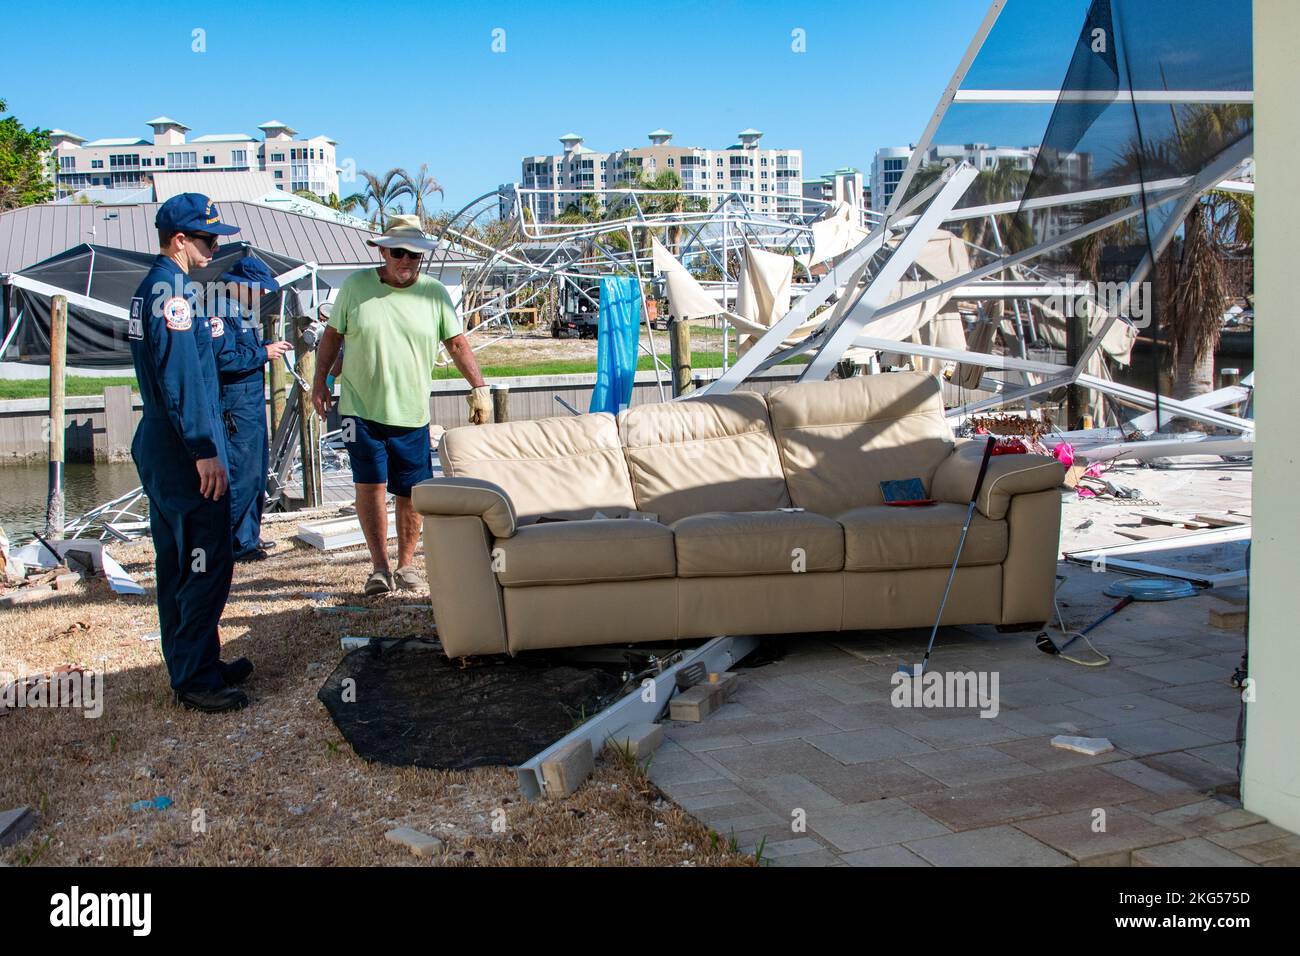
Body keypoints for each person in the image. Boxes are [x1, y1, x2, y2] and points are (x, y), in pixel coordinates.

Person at [311, 214, 490, 596]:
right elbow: (331, 338)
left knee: (411, 492)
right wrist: (320, 381)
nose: (406, 261)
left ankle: (407, 565)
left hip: (412, 414)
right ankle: (379, 567)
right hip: (357, 412)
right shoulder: (355, 288)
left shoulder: (434, 294)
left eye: (415, 255)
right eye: (398, 252)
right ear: (382, 250)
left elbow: (456, 344)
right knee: (369, 486)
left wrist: (480, 388)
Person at [128, 193, 250, 713]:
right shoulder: (171, 295)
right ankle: (195, 677)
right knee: (204, 561)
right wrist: (204, 450)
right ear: (180, 240)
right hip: (183, 447)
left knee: (178, 560)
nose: (214, 245)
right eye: (207, 238)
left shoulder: (153, 289)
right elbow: (181, 381)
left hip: (163, 440)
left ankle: (195, 660)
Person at [210, 257, 292, 562]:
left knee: (256, 471)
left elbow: (243, 351)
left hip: (251, 403)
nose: (261, 295)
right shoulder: (219, 311)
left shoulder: (241, 311)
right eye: (258, 289)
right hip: (235, 403)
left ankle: (250, 535)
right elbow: (224, 359)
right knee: (241, 472)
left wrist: (267, 346)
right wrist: (264, 353)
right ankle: (238, 543)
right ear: (242, 285)